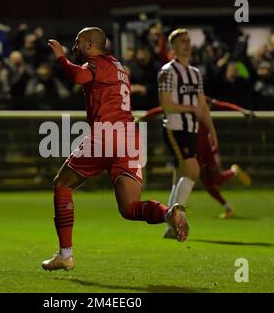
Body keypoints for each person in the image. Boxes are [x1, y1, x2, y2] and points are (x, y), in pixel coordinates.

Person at [42, 27, 189, 271]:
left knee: (62, 185)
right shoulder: (119, 67)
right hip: (130, 139)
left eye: (78, 43)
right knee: (129, 208)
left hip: (106, 135)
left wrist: (60, 57)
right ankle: (167, 213)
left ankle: (65, 254)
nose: (75, 48)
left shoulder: (97, 64)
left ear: (89, 45)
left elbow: (79, 77)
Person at [138, 96, 253, 221]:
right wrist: (145, 117)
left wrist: (241, 110)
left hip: (208, 149)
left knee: (216, 179)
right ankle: (228, 208)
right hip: (194, 149)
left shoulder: (199, 97)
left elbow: (221, 104)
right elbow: (162, 109)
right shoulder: (182, 99)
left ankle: (233, 172)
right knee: (206, 182)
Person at [157, 28, 218, 238]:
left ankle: (168, 225)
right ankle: (177, 221)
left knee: (180, 177)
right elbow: (165, 104)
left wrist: (211, 130)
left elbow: (202, 106)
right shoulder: (167, 71)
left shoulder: (195, 73)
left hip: (191, 129)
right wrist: (189, 109)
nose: (187, 44)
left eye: (188, 40)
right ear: (172, 47)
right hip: (174, 128)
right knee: (193, 171)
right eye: (182, 41)